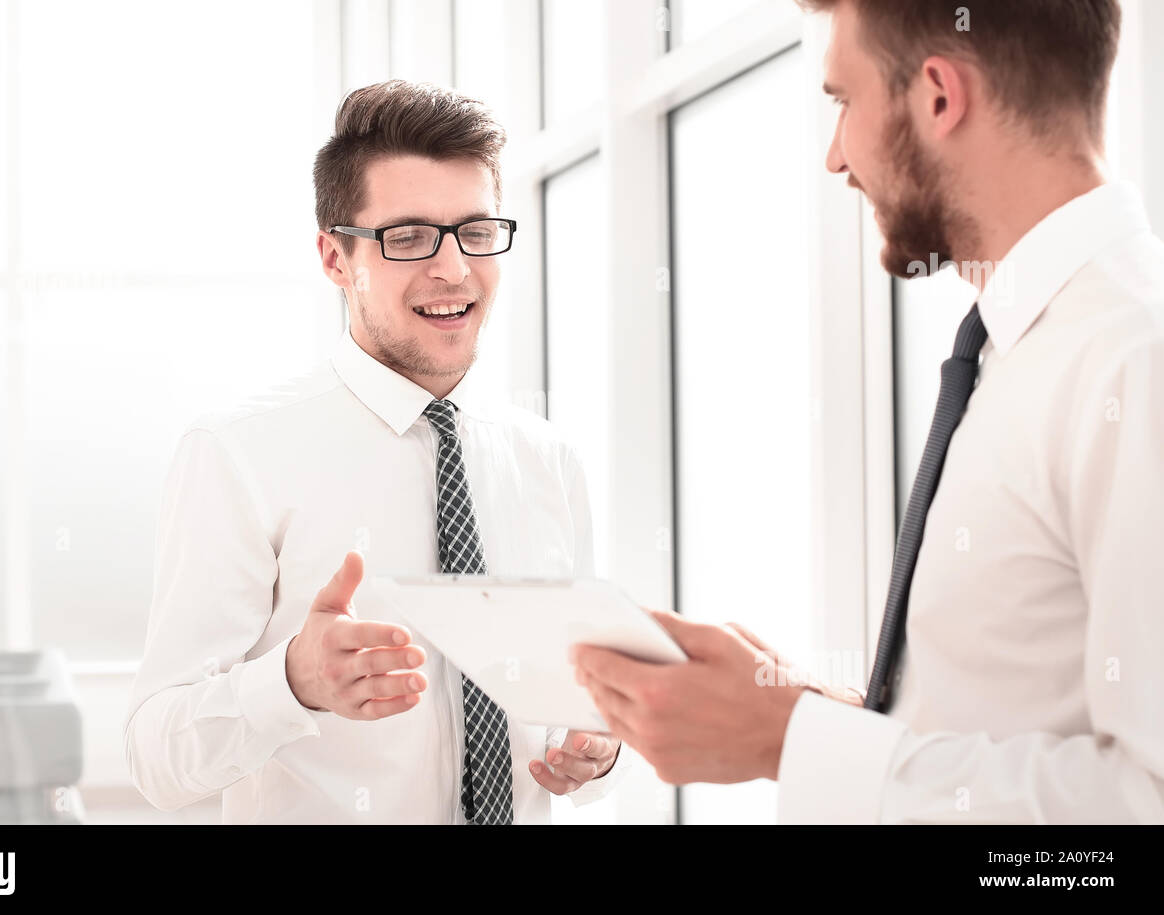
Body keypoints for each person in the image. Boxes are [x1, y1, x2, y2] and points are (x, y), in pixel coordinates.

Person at [574, 0, 1164, 823]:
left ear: (937, 95)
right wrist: (814, 717)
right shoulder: (1025, 347)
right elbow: (1016, 722)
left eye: (842, 102)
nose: (834, 156)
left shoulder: (1137, 356)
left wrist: (788, 739)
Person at [125, 80, 623, 824]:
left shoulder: (548, 460)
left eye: (476, 231)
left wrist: (597, 746)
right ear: (334, 257)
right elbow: (154, 758)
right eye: (409, 237)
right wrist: (292, 680)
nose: (453, 269)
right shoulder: (237, 454)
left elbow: (571, 707)